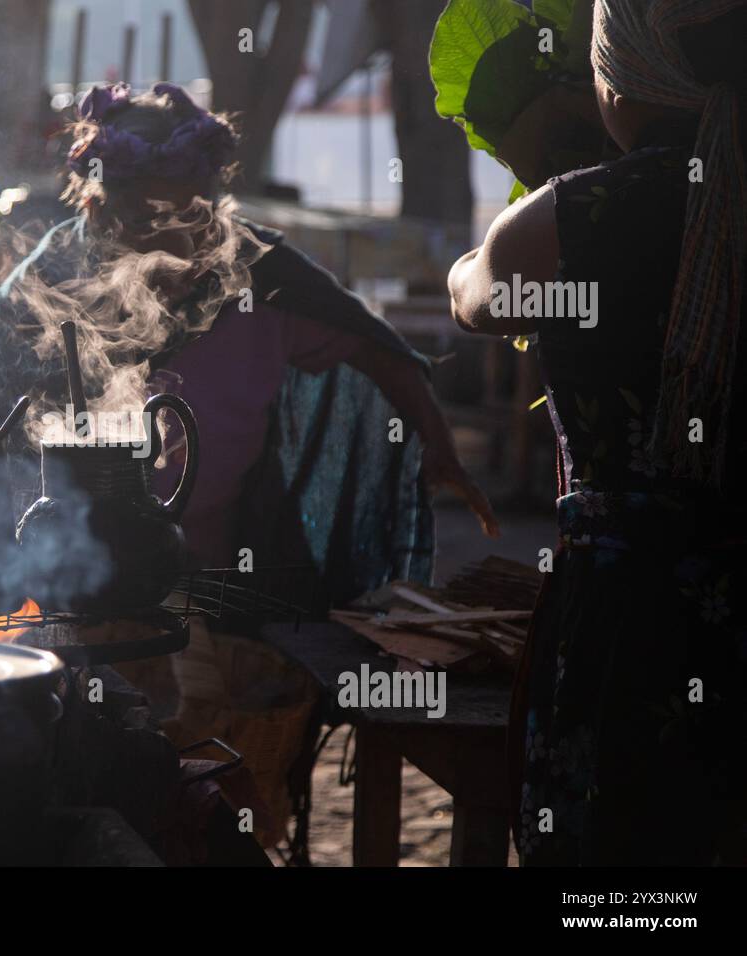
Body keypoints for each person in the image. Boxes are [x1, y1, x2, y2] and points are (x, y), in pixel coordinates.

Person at [0, 82, 496, 607]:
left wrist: (440, 445)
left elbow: (376, 352)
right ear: (93, 206)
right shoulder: (40, 290)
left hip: (218, 578)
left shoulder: (260, 274)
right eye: (143, 219)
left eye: (191, 216)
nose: (172, 244)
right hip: (69, 580)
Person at [448, 0, 747, 865]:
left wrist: (548, 157)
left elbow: (477, 294)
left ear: (625, 75)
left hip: (635, 631)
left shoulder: (580, 214)